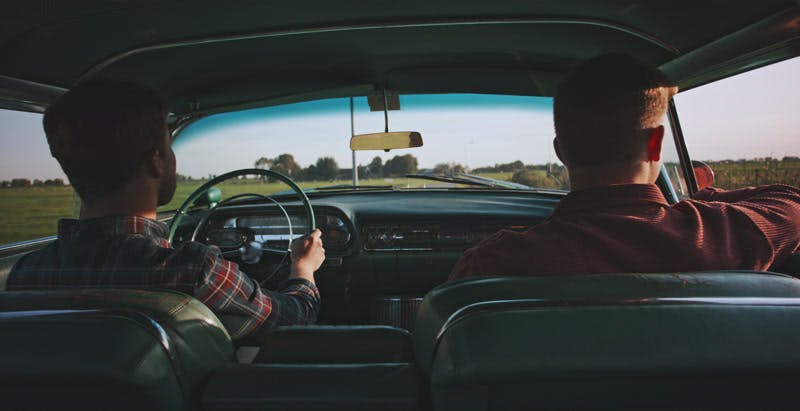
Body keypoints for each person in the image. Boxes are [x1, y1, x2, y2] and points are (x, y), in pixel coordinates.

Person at [7, 81, 325, 340]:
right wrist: (303, 269)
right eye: (168, 148)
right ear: (154, 161)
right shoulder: (194, 271)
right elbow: (294, 321)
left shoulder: (25, 275)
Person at [449, 54, 800, 280]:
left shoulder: (492, 264)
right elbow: (791, 204)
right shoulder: (723, 235)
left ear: (560, 151)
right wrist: (703, 200)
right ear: (656, 143)